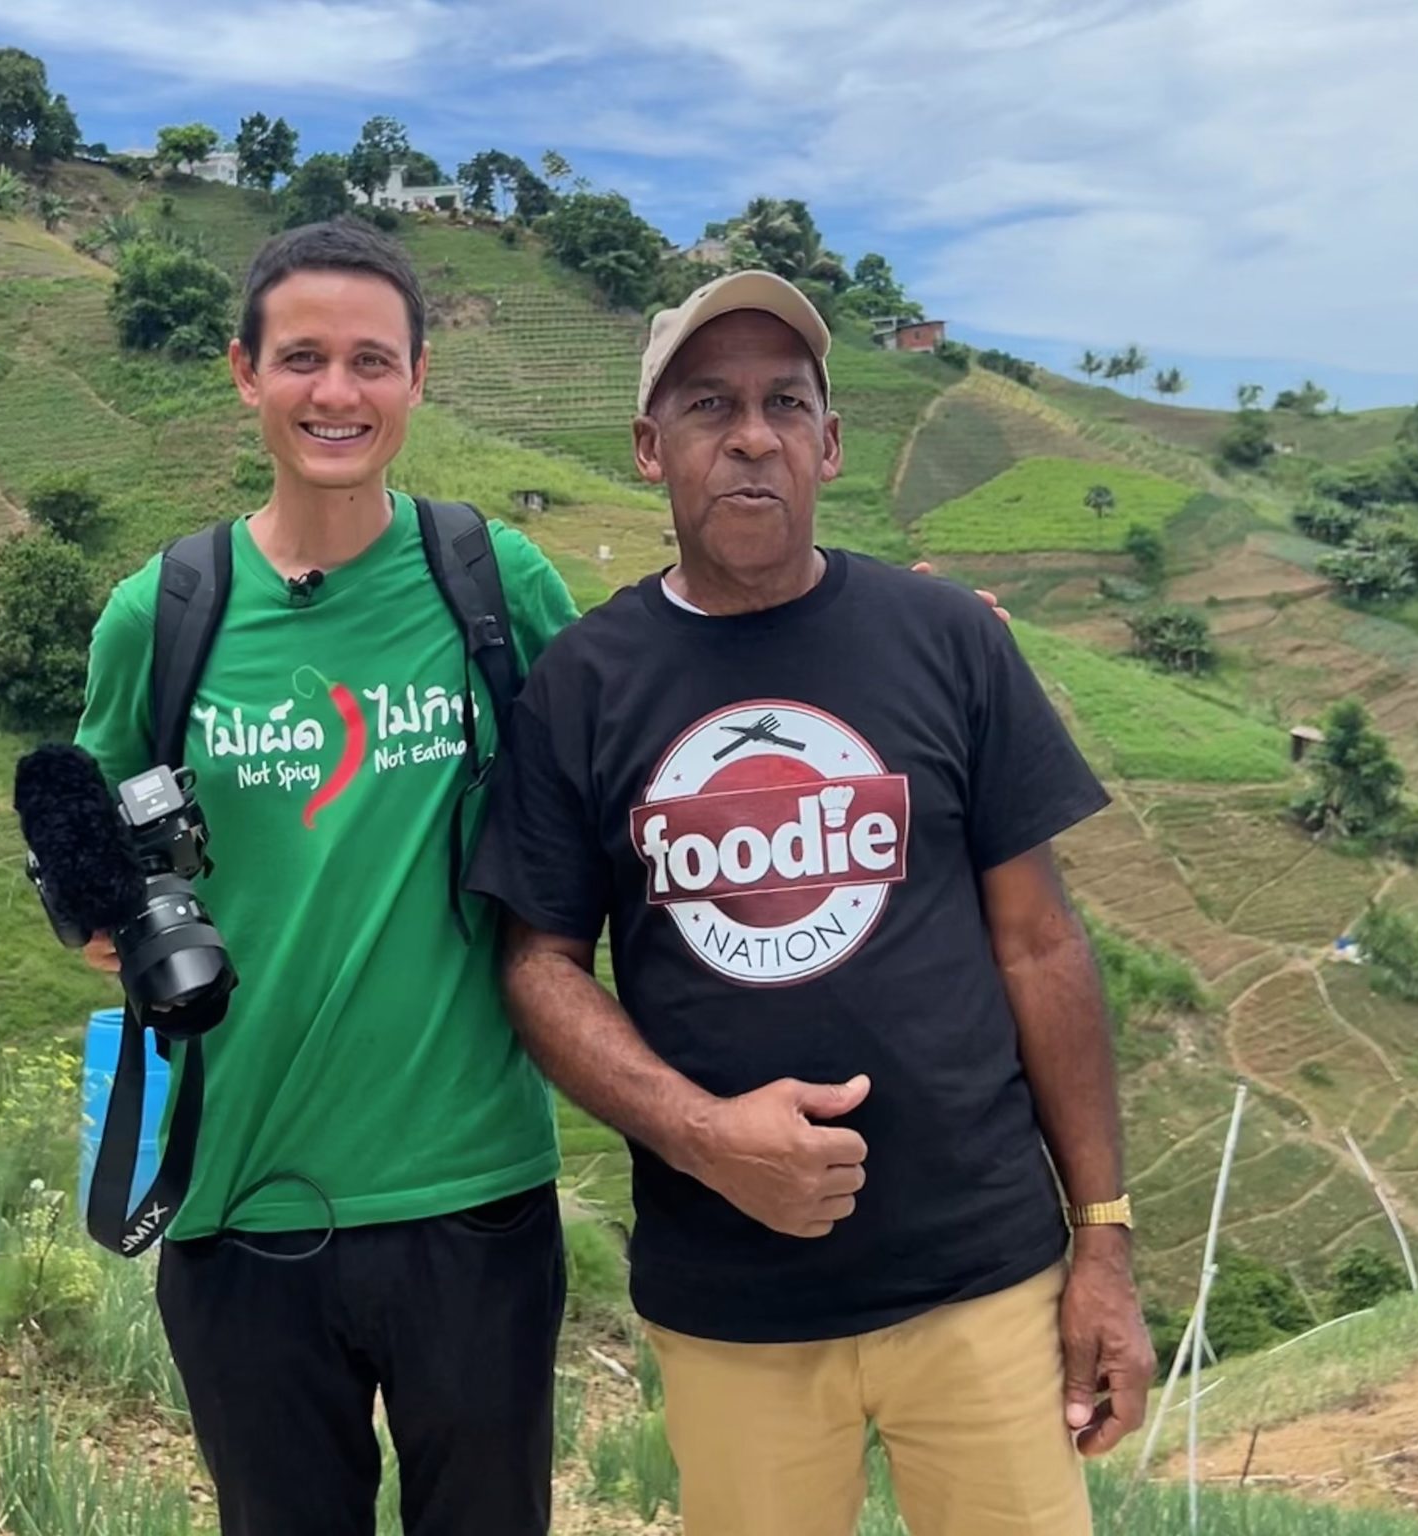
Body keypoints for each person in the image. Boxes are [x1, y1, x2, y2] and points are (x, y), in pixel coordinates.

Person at [469, 270, 1155, 1536]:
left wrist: (1100, 1243)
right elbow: (537, 966)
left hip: (985, 1283)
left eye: (785, 402)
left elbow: (1040, 942)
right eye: (708, 404)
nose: (749, 434)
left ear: (828, 445)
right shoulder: (582, 685)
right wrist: (704, 1137)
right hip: (731, 1306)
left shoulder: (949, 640)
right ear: (647, 446)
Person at [71, 219, 578, 1536]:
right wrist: (114, 920)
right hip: (235, 1201)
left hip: (471, 1197)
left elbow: (628, 754)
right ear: (245, 373)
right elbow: (83, 850)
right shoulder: (163, 611)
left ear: (417, 380)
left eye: (371, 360)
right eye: (303, 358)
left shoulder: (493, 580)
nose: (336, 393)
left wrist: (861, 647)